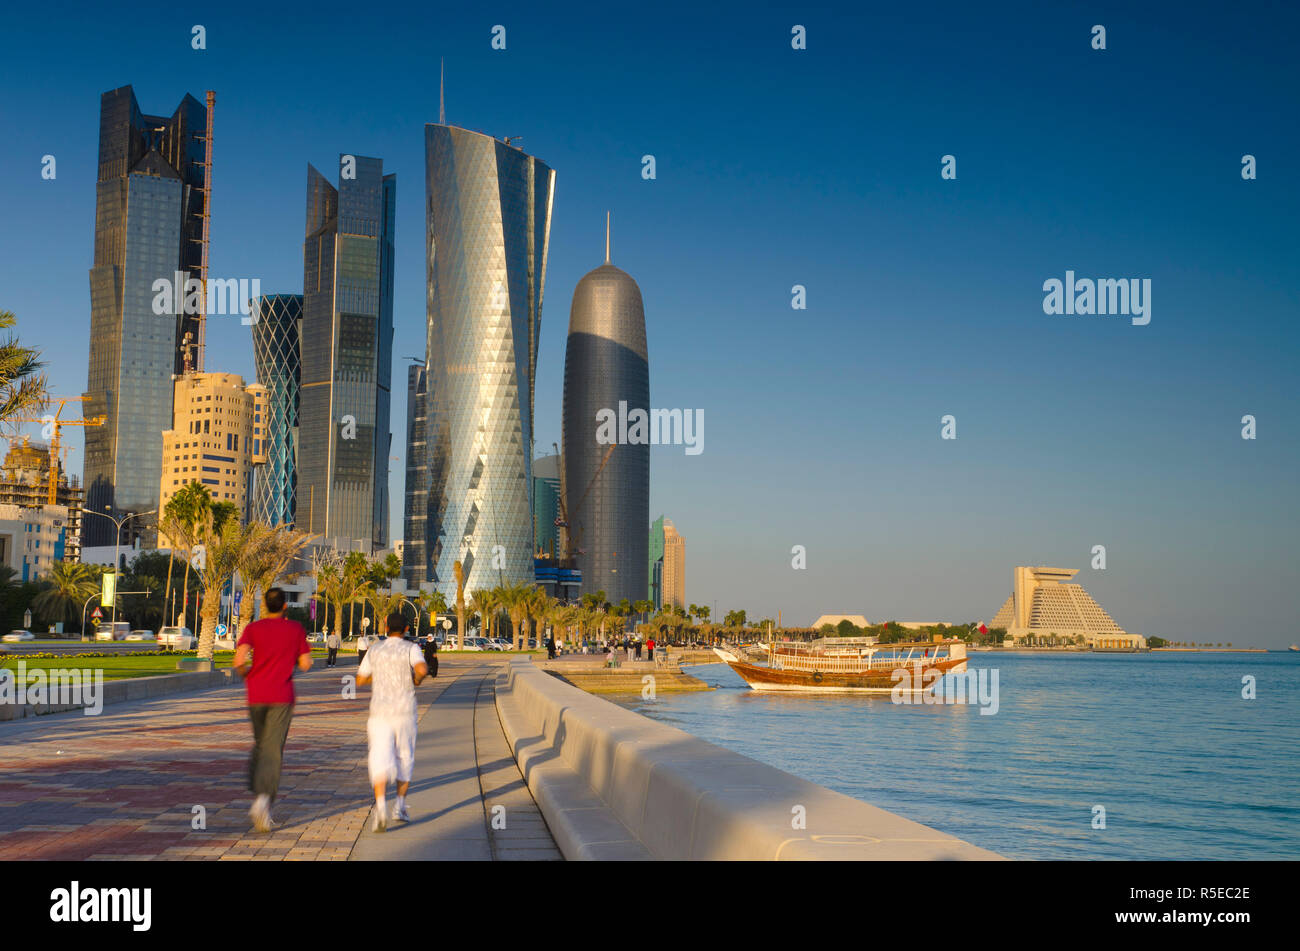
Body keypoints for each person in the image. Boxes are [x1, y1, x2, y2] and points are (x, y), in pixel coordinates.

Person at [232, 587, 312, 833]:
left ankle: (257, 790)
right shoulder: (295, 629)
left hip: (256, 695)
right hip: (281, 696)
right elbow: (306, 664)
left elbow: (238, 661)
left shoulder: (253, 628)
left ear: (265, 605)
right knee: (273, 749)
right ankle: (262, 802)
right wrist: (294, 661)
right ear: (285, 606)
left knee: (261, 744)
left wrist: (250, 676)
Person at [357, 612, 429, 832]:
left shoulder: (376, 649)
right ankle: (399, 806)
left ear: (386, 627)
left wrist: (377, 674)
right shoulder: (411, 648)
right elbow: (422, 669)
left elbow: (360, 679)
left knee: (379, 757)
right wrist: (416, 679)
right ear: (406, 628)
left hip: (379, 712)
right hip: (404, 712)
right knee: (404, 757)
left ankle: (380, 807)